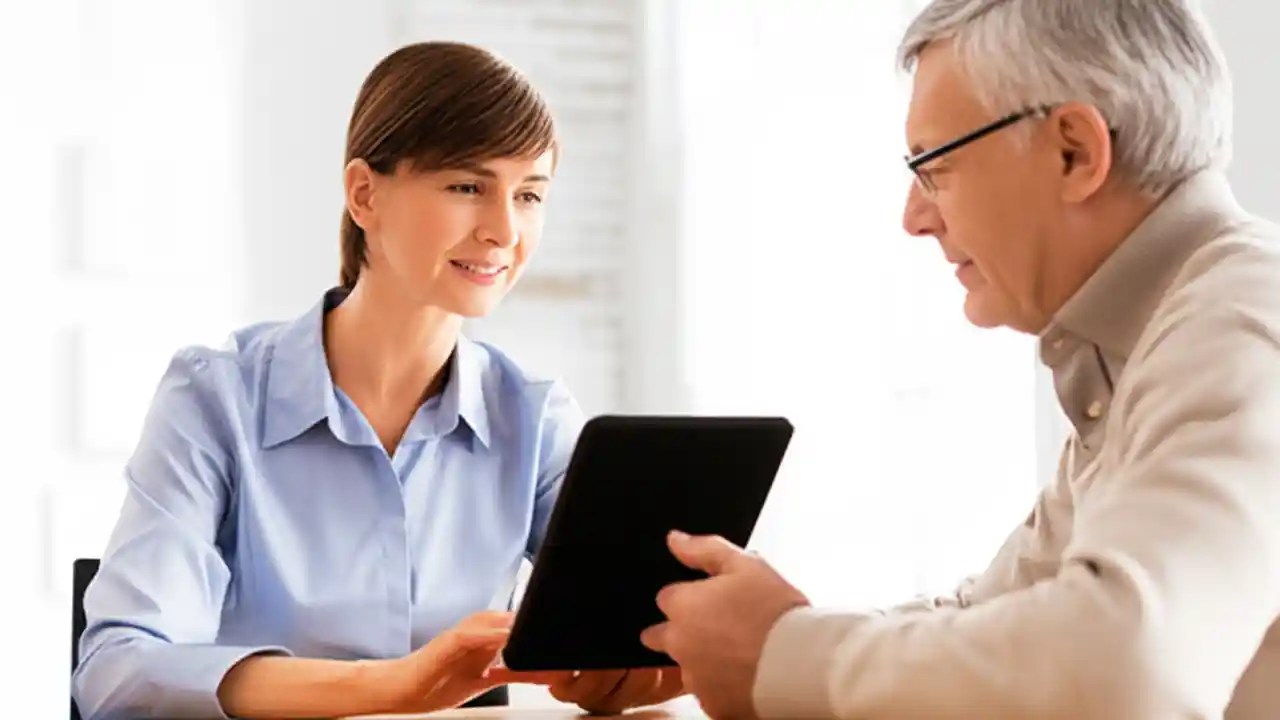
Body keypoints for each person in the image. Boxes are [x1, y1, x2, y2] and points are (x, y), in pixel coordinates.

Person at [641, 1, 1280, 718]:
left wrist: (784, 654)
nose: (915, 217)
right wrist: (726, 643)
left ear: (1074, 150)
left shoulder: (1243, 317)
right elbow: (1001, 615)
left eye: (935, 166)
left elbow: (1124, 669)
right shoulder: (1148, 340)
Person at [72, 41, 680, 719]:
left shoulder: (533, 417)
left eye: (530, 195)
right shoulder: (216, 398)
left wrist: (640, 666)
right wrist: (397, 687)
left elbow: (627, 626)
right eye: (467, 187)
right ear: (364, 193)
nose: (504, 230)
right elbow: (117, 673)